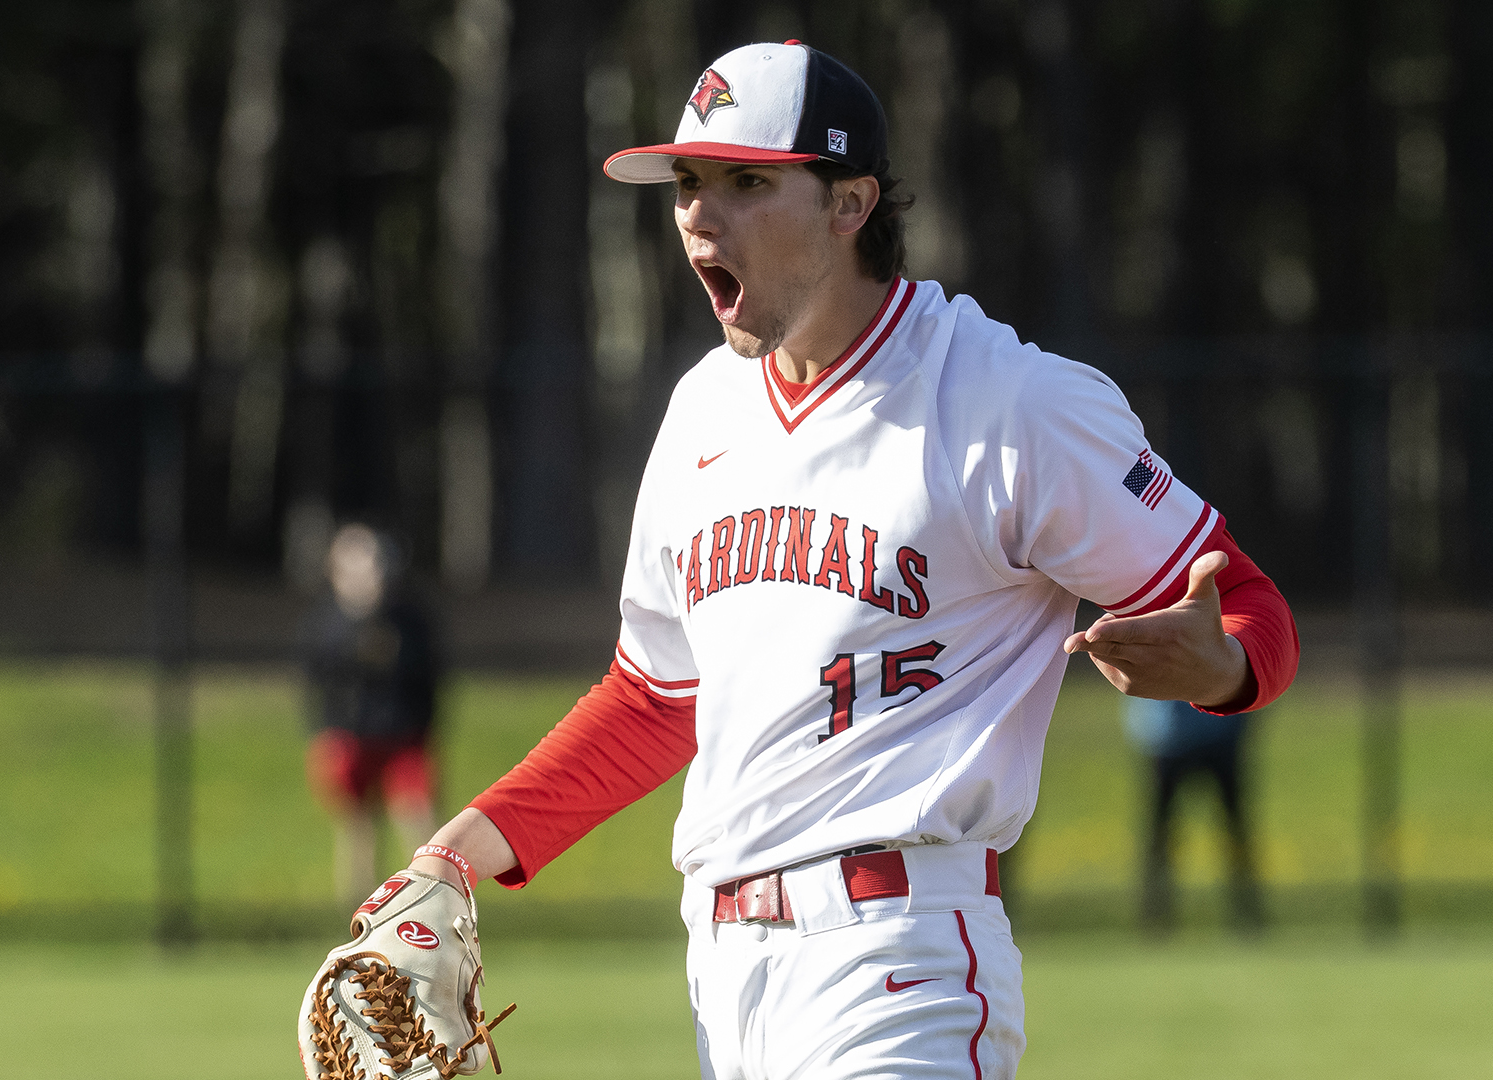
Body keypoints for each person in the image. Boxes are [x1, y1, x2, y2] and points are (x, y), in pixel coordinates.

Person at [360, 42, 1296, 1078]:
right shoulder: (701, 413)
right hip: (724, 978)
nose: (700, 218)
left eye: (748, 183)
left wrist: (1222, 668)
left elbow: (1248, 603)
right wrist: (460, 850)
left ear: (852, 203)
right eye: (686, 185)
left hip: (901, 956)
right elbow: (657, 697)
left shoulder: (1003, 403)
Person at [302, 522, 442, 908]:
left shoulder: (410, 619)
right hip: (352, 735)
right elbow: (318, 684)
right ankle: (360, 920)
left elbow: (429, 677)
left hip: (403, 736)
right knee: (358, 833)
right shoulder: (328, 623)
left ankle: (430, 913)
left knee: (422, 830)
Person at [1123, 696, 1265, 936]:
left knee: (1235, 834)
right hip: (1168, 739)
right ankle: (1155, 918)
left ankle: (1248, 916)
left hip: (1220, 735)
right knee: (1160, 837)